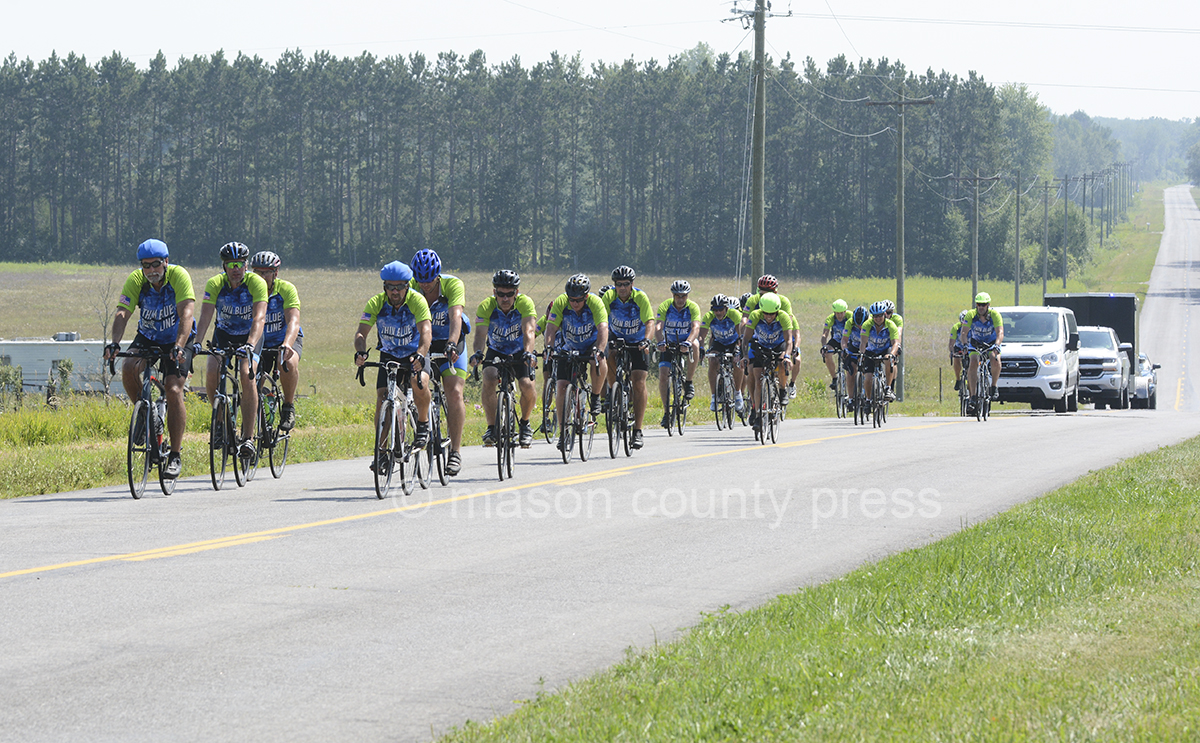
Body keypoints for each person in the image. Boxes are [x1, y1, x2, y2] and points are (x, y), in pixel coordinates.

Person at [103, 239, 196, 480]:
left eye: (156, 264)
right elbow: (123, 313)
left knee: (173, 389)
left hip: (178, 337)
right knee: (129, 367)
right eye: (146, 266)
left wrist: (179, 345)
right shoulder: (136, 280)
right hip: (148, 335)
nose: (151, 270)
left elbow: (187, 312)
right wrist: (114, 341)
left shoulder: (178, 276)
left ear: (166, 262)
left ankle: (175, 455)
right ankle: (146, 415)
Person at [354, 261, 432, 470]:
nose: (395, 291)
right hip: (389, 354)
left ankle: (423, 424)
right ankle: (380, 452)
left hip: (415, 353)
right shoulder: (376, 303)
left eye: (399, 287)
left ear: (408, 286)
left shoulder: (417, 301)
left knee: (420, 382)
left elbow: (425, 331)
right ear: (384, 287)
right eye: (390, 287)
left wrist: (421, 354)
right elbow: (361, 332)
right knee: (383, 398)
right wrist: (360, 351)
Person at [194, 242, 268, 461]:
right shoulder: (215, 283)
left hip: (250, 335)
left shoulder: (256, 282)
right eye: (230, 264)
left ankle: (248, 437)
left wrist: (250, 343)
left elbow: (259, 318)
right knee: (212, 371)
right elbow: (206, 316)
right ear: (224, 266)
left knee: (247, 375)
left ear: (246, 265)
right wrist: (197, 343)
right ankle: (220, 423)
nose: (235, 269)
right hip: (224, 333)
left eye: (240, 264)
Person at [410, 249, 469, 475]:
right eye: (420, 280)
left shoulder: (453, 285)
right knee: (413, 384)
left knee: (454, 392)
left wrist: (452, 344)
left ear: (439, 275)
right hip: (422, 342)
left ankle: (455, 452)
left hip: (450, 341)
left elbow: (455, 317)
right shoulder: (411, 286)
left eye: (430, 281)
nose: (425, 285)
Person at [470, 269, 538, 449]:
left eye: (509, 294)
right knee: (489, 377)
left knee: (527, 384)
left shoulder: (525, 303)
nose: (505, 299)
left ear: (516, 293)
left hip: (519, 350)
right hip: (496, 349)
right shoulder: (486, 306)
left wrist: (528, 352)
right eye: (501, 294)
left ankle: (525, 424)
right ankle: (492, 427)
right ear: (494, 293)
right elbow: (479, 335)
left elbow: (529, 332)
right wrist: (478, 353)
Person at [545, 274, 609, 447]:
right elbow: (550, 328)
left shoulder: (595, 302)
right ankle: (563, 430)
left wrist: (600, 350)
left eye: (579, 300)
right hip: (571, 344)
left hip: (591, 344)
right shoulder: (560, 302)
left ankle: (595, 396)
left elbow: (603, 327)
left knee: (599, 362)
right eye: (572, 299)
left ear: (586, 296)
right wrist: (549, 348)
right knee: (561, 386)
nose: (574, 303)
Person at [601, 265, 654, 449]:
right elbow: (601, 321)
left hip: (637, 341)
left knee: (639, 382)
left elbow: (649, 322)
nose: (622, 288)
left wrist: (647, 341)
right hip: (616, 336)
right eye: (618, 284)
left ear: (632, 284)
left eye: (626, 284)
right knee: (606, 354)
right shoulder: (609, 297)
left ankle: (638, 430)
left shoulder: (640, 297)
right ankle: (612, 390)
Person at [249, 251, 302, 432]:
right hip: (260, 341)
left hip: (284, 337)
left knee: (287, 361)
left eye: (267, 273)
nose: (262, 277)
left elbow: (293, 321)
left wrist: (287, 344)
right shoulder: (248, 290)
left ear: (276, 273)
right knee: (250, 376)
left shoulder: (286, 289)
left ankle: (288, 406)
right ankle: (252, 420)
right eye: (258, 273)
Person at [740, 292, 794, 432]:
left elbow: (789, 340)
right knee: (758, 379)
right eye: (766, 313)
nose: (769, 317)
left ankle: (782, 390)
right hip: (761, 345)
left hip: (778, 345)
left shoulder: (783, 316)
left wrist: (787, 355)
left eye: (772, 314)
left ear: (777, 311)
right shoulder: (755, 315)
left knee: (783, 363)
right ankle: (758, 415)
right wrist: (745, 356)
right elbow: (745, 339)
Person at [655, 279, 701, 428]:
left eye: (683, 296)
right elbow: (658, 326)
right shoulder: (666, 306)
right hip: (669, 342)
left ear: (687, 296)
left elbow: (695, 327)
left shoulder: (693, 307)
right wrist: (661, 341)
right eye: (678, 296)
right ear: (673, 296)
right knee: (663, 376)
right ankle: (666, 413)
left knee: (695, 344)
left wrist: (688, 341)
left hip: (685, 341)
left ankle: (688, 382)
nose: (681, 299)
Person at [745, 275, 801, 398]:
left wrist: (790, 351)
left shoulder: (783, 302)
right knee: (751, 371)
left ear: (775, 292)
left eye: (767, 293)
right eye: (761, 293)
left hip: (780, 336)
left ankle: (784, 387)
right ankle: (754, 406)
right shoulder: (753, 300)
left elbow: (790, 324)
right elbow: (744, 319)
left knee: (784, 362)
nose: (764, 297)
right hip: (759, 337)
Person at [699, 294, 744, 413]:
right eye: (715, 310)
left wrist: (739, 350)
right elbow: (701, 336)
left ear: (726, 309)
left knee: (737, 363)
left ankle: (738, 393)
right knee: (713, 361)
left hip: (734, 342)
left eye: (721, 309)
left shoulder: (734, 314)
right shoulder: (709, 316)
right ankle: (714, 396)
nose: (718, 312)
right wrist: (701, 348)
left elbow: (741, 334)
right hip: (719, 342)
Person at [959, 291, 1004, 411]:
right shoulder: (970, 315)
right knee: (973, 362)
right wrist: (964, 344)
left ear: (988, 305)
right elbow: (964, 333)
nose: (981, 307)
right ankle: (973, 396)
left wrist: (997, 345)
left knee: (995, 358)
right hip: (976, 343)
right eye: (978, 304)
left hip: (990, 343)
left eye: (983, 305)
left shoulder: (995, 314)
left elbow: (1000, 332)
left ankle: (993, 386)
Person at [858, 301, 901, 402]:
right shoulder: (867, 325)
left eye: (880, 315)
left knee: (888, 360)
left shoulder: (891, 325)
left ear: (885, 314)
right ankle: (868, 400)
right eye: (875, 316)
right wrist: (862, 354)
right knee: (868, 377)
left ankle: (887, 388)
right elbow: (863, 343)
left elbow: (895, 343)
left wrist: (891, 354)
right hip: (871, 350)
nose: (878, 318)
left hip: (885, 350)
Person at [840, 306, 870, 405]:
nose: (860, 327)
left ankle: (869, 393)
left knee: (868, 371)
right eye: (857, 325)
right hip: (854, 346)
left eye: (862, 324)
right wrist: (845, 350)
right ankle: (851, 398)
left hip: (868, 346)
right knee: (850, 371)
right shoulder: (849, 323)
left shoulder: (871, 323)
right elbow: (844, 340)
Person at [820, 299, 850, 390]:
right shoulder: (830, 318)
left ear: (845, 311)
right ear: (834, 312)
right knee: (827, 353)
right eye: (837, 313)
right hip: (836, 341)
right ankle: (834, 378)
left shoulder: (850, 316)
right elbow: (824, 335)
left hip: (848, 341)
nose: (840, 315)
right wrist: (824, 346)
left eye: (841, 313)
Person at [883, 299, 903, 390]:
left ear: (892, 312)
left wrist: (898, 345)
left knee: (892, 361)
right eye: (885, 312)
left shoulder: (897, 319)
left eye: (889, 312)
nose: (886, 315)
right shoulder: (876, 317)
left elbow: (899, 333)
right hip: (879, 342)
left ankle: (891, 386)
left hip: (891, 341)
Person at [948, 310, 969, 392]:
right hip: (959, 347)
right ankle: (958, 380)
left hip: (969, 347)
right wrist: (951, 351)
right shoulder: (956, 327)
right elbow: (951, 343)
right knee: (956, 360)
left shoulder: (973, 327)